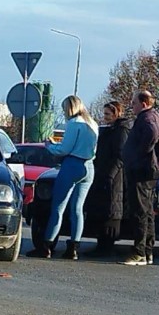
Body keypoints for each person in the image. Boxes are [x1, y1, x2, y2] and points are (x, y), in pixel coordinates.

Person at [26, 95, 98, 260]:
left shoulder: (74, 124)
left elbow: (64, 149)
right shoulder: (92, 123)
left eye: (64, 108)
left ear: (70, 108)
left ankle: (47, 246)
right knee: (77, 209)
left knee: (58, 208)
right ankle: (73, 248)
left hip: (72, 165)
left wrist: (50, 146)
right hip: (89, 166)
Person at [120, 90, 159, 266]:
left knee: (139, 211)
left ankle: (139, 252)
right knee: (148, 210)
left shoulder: (146, 118)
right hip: (153, 170)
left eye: (134, 103)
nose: (132, 106)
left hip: (142, 170)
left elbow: (152, 134)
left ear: (143, 103)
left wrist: (138, 154)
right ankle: (148, 251)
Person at [84, 101, 131, 256]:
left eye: (107, 114)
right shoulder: (110, 130)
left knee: (111, 210)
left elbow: (120, 155)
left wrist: (110, 175)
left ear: (116, 113)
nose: (105, 117)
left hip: (113, 177)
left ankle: (106, 246)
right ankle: (101, 245)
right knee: (102, 209)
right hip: (104, 174)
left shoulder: (121, 131)